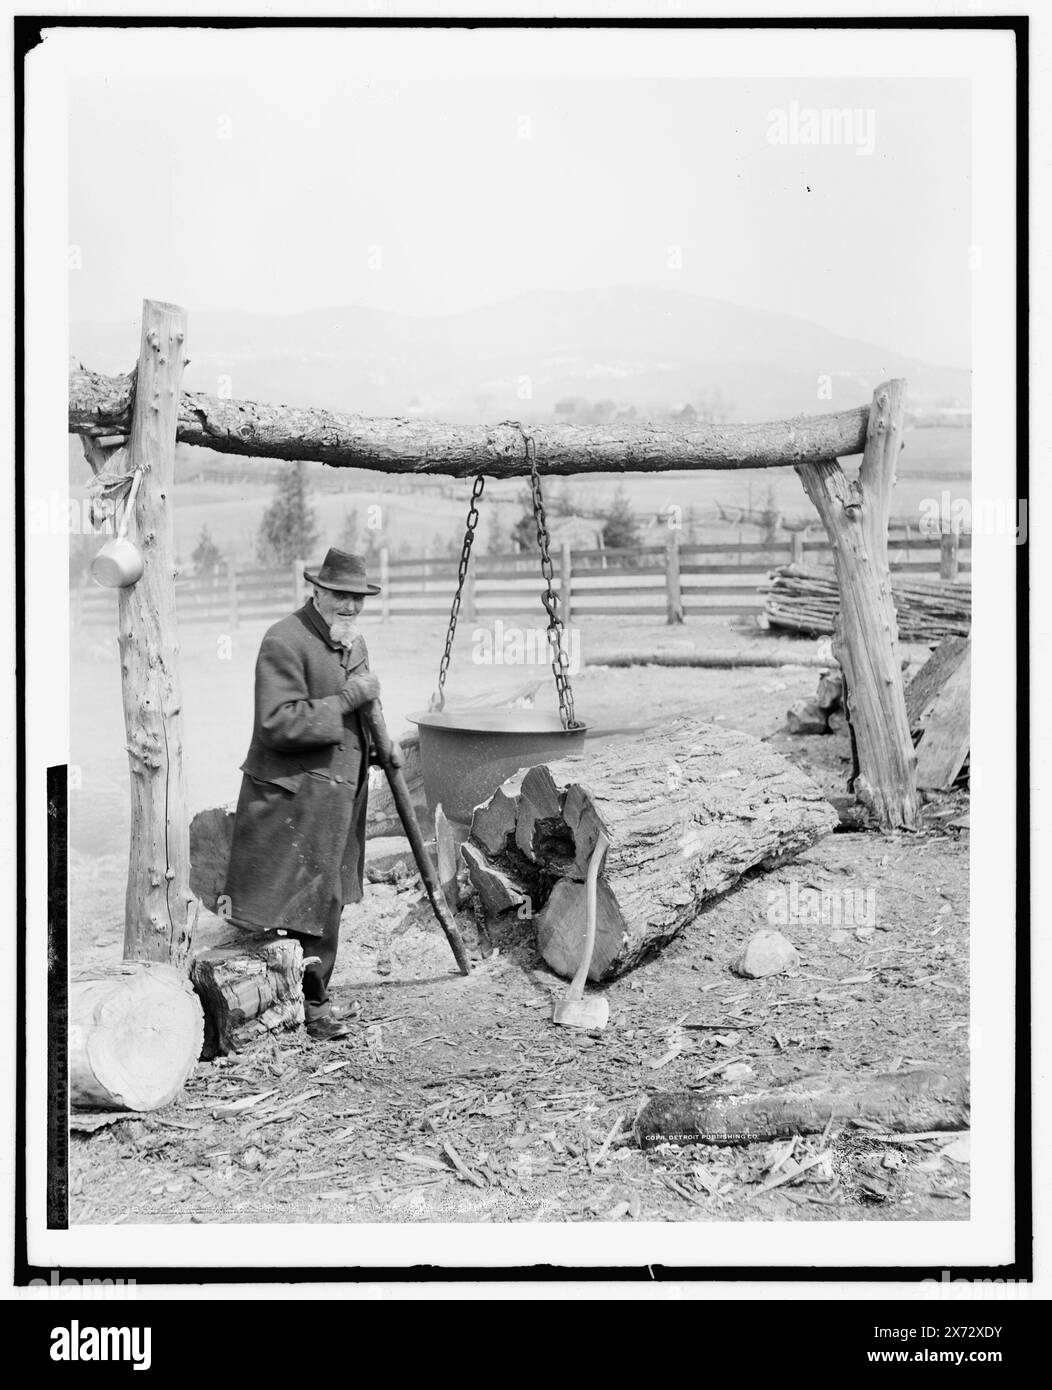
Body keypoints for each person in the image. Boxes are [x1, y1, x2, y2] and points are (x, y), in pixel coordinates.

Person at [222, 548, 402, 1042]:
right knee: (300, 901)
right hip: (293, 799)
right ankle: (309, 1006)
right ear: (318, 591)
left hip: (337, 796)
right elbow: (277, 723)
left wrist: (382, 747)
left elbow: (367, 709)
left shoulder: (351, 642)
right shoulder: (285, 640)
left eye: (357, 598)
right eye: (340, 595)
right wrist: (347, 699)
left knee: (330, 898)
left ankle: (315, 997)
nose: (349, 605)